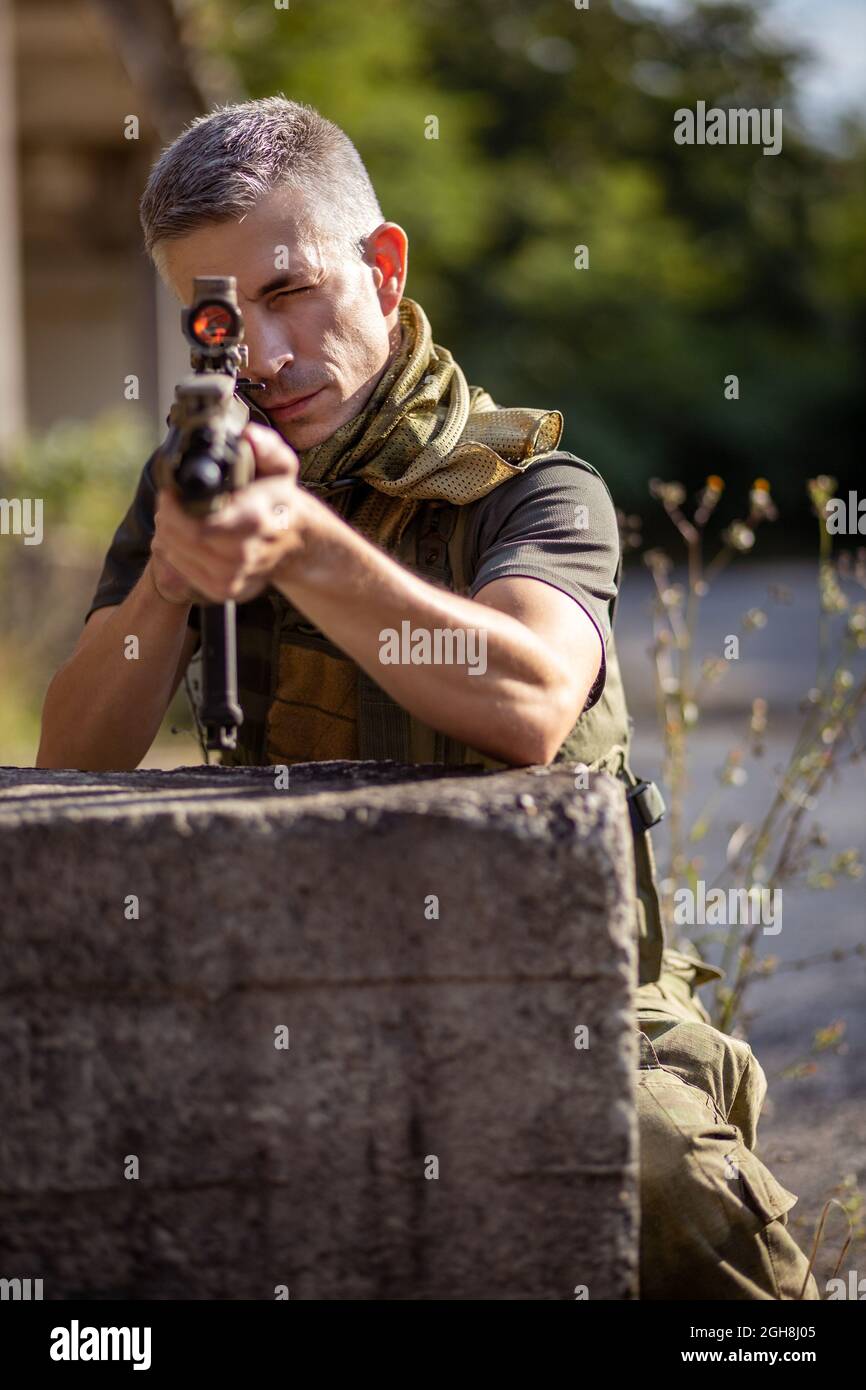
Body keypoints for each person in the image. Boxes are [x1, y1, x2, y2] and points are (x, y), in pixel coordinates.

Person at [36, 96, 818, 1301]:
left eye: (291, 290)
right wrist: (169, 588)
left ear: (382, 267)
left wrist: (298, 543)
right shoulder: (193, 484)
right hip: (290, 983)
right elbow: (75, 760)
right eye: (218, 315)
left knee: (656, 1170)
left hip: (553, 985)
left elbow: (527, 696)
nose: (266, 353)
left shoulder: (530, 488)